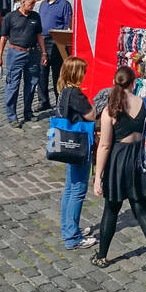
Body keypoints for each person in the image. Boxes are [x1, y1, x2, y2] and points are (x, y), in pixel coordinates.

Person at [90, 65, 146, 270]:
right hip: (140, 160)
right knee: (142, 210)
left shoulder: (110, 110)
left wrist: (98, 177)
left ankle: (102, 256)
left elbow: (105, 145)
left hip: (118, 161)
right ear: (133, 83)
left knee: (111, 209)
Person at [55, 55, 98, 250]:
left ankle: (69, 228)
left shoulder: (63, 91)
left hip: (66, 145)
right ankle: (72, 237)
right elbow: (91, 115)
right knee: (78, 191)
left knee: (70, 189)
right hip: (78, 145)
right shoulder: (76, 94)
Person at [0, 0, 48, 129]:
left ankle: (28, 111)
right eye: (31, 3)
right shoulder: (11, 17)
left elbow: (39, 36)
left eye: (33, 3)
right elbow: (3, 38)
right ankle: (12, 115)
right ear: (22, 2)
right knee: (13, 84)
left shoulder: (35, 16)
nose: (32, 6)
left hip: (32, 53)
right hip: (16, 53)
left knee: (32, 83)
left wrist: (44, 53)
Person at [37, 0, 73, 111]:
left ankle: (60, 100)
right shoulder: (43, 4)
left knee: (57, 73)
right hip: (42, 40)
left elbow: (67, 24)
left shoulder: (64, 5)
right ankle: (43, 100)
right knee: (42, 71)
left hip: (56, 41)